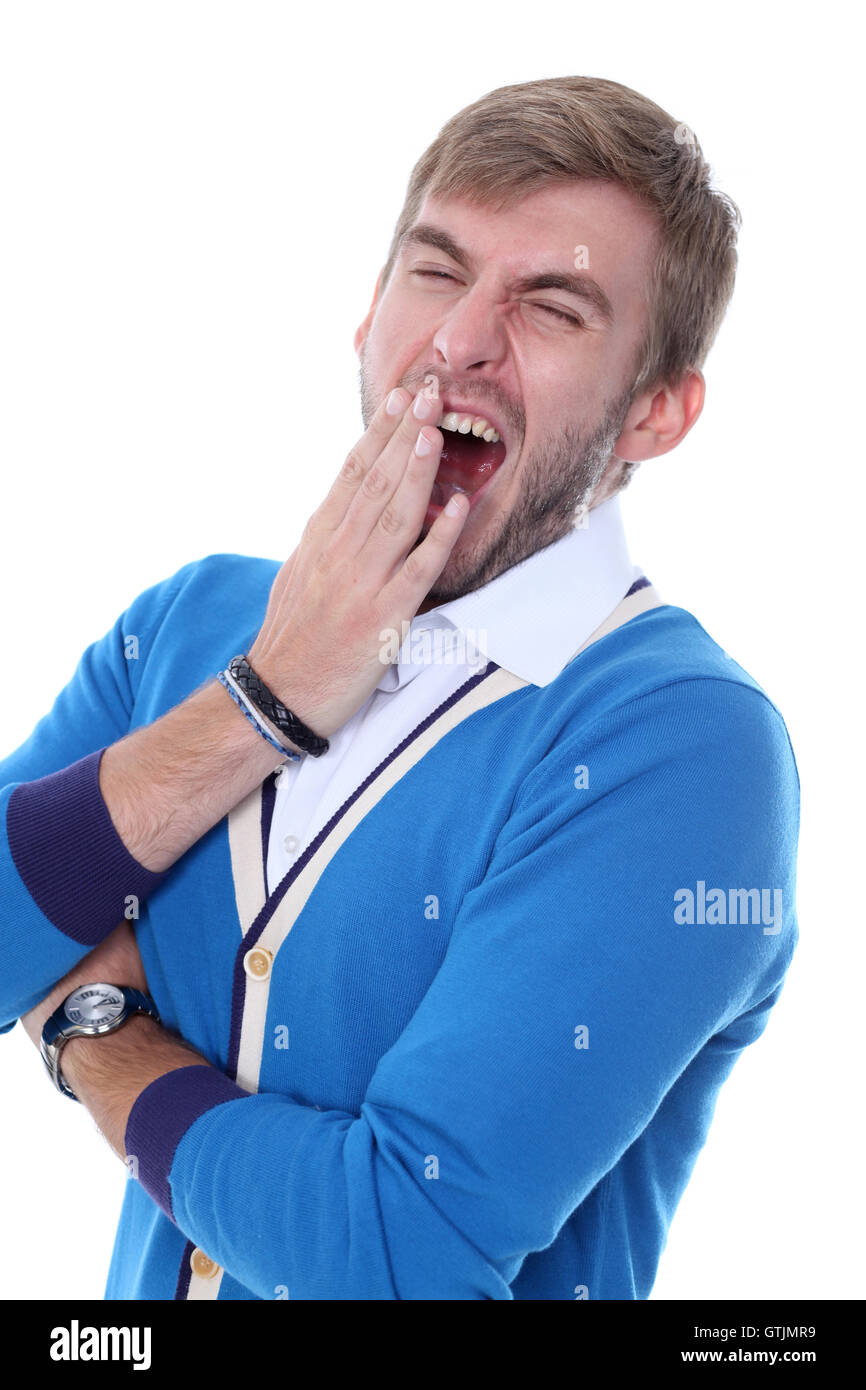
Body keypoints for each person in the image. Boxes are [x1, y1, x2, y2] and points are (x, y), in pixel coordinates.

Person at [0, 74, 799, 1301]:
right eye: (435, 271)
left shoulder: (680, 745)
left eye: (552, 305)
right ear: (369, 309)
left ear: (654, 412)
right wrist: (261, 699)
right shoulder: (194, 621)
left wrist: (96, 1033)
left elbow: (391, 1255)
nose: (458, 340)